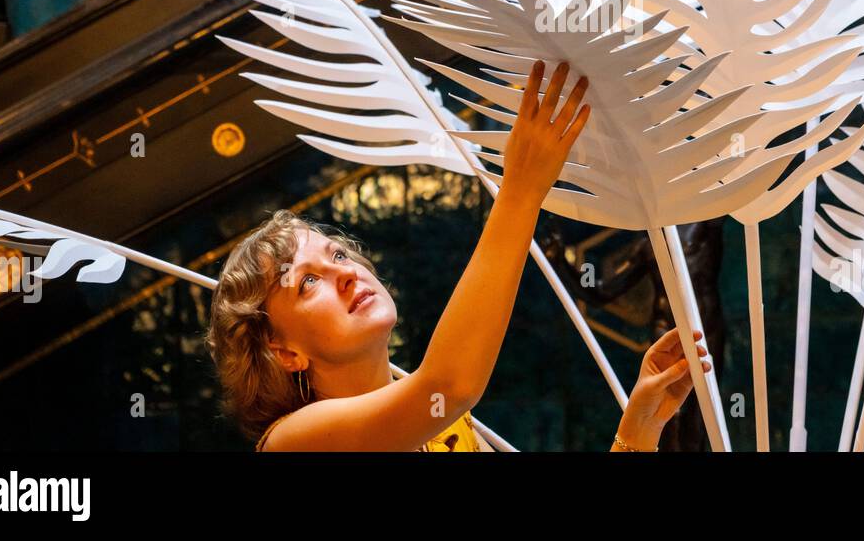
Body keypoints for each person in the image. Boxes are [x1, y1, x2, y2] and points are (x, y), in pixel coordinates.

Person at [206, 59, 710, 451]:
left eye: (337, 254)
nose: (342, 274)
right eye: (306, 282)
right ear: (284, 351)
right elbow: (451, 382)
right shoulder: (293, 441)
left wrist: (639, 428)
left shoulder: (447, 424)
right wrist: (521, 189)